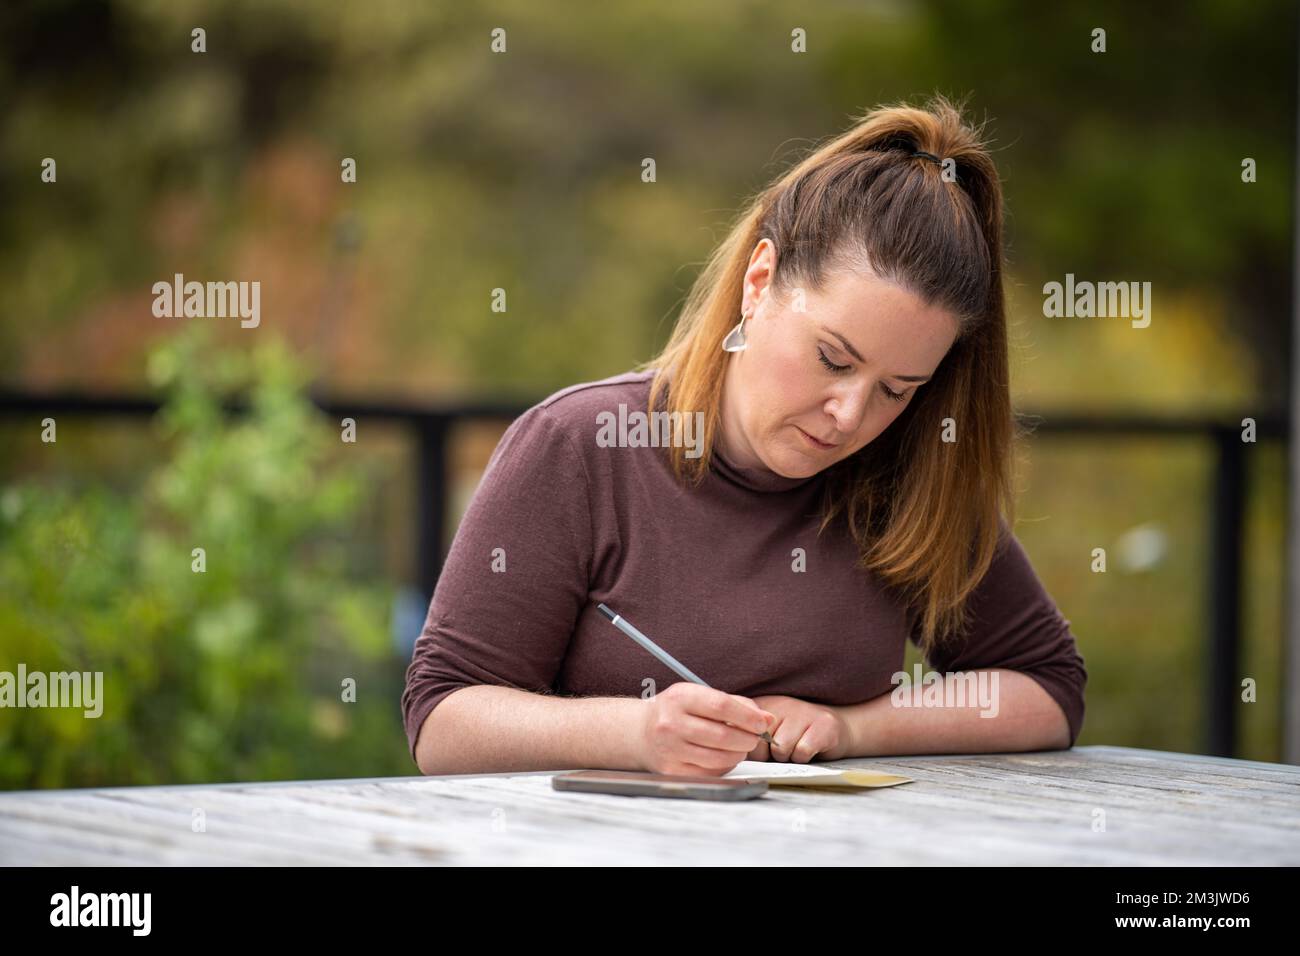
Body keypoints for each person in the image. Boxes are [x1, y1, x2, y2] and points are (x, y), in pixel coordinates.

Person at [402, 94, 1087, 776]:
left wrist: (850, 729)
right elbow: (442, 721)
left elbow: (1047, 687)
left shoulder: (905, 474)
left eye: (895, 390)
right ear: (760, 281)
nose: (849, 416)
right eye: (833, 359)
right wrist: (635, 732)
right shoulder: (579, 446)